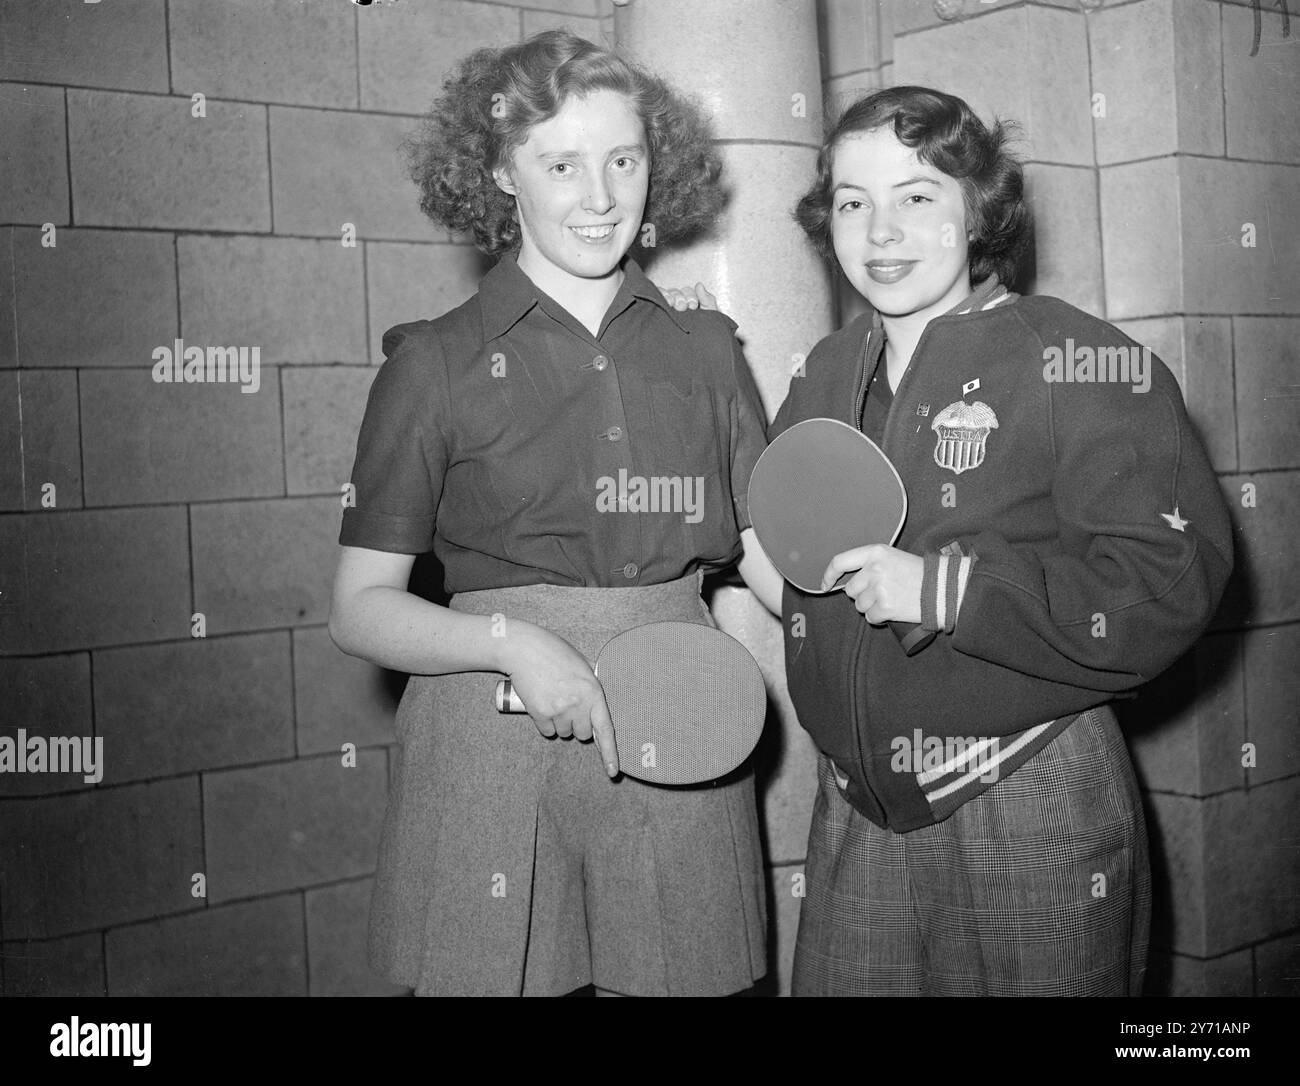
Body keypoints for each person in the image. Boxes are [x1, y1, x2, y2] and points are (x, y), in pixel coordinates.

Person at [749, 85, 1231, 995]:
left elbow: (1171, 577)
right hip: (855, 809)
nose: (881, 230)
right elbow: (802, 580)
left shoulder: (1078, 359)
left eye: (917, 197)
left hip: (1026, 789)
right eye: (854, 203)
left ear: (978, 210)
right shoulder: (820, 375)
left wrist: (947, 593)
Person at [328, 30, 779, 997]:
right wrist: (510, 643)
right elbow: (359, 608)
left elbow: (766, 556)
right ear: (500, 172)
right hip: (489, 733)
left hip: (679, 727)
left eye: (624, 159)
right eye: (561, 164)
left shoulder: (706, 349)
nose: (601, 196)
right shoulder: (432, 363)